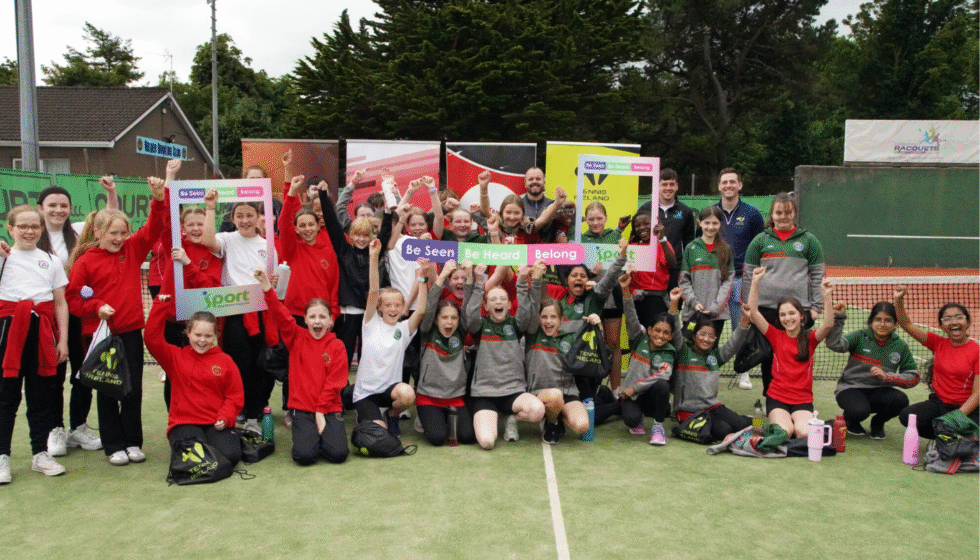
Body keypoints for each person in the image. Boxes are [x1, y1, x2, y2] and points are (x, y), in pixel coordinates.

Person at [66, 176, 166, 465]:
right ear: (97, 233)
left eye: (123, 232)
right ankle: (114, 445)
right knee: (108, 389)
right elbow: (75, 297)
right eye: (113, 234)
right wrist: (96, 307)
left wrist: (158, 198)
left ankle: (133, 442)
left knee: (132, 388)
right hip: (99, 336)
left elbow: (154, 228)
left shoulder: (132, 250)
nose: (119, 238)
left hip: (131, 332)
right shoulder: (86, 261)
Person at [36, 182, 117, 455]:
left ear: (70, 209)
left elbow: (111, 217)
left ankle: (78, 427)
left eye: (63, 205)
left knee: (84, 373)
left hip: (78, 315)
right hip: (48, 317)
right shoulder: (33, 235)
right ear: (41, 209)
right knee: (53, 375)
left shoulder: (78, 230)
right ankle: (55, 429)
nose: (58, 210)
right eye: (52, 205)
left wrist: (111, 192)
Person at [0, 206, 70, 482]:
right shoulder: (4, 257)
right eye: (23, 226)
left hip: (43, 332)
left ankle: (40, 454)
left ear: (41, 229)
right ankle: (2, 456)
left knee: (41, 396)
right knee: (6, 396)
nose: (29, 231)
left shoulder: (51, 260)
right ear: (10, 228)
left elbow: (60, 301)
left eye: (35, 227)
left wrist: (62, 338)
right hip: (9, 331)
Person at [201, 191, 277, 435]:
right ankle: (237, 409)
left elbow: (273, 282)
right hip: (234, 312)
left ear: (258, 217)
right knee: (235, 365)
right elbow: (207, 241)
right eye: (240, 215)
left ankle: (254, 415)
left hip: (261, 314)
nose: (245, 220)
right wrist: (210, 208)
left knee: (259, 366)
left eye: (250, 215)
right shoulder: (227, 239)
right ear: (233, 218)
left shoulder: (268, 246)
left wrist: (272, 281)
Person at [256, 270, 350, 465]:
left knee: (338, 454)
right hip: (302, 408)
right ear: (305, 319)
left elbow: (336, 383)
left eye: (323, 317)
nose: (317, 321)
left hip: (329, 408)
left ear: (330, 321)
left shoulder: (337, 346)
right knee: (305, 456)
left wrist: (321, 412)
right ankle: (310, 436)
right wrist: (266, 285)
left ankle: (323, 435)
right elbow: (279, 313)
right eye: (312, 316)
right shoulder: (296, 337)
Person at [741, 192, 825, 397]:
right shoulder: (760, 241)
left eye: (788, 212)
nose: (783, 216)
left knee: (797, 355)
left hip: (798, 311)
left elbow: (818, 275)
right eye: (778, 212)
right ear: (772, 214)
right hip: (766, 310)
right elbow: (748, 274)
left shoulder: (809, 241)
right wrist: (749, 308)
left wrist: (815, 308)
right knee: (768, 356)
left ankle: (798, 398)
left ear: (795, 213)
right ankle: (771, 398)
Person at [145, 297, 244, 469]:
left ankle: (213, 444)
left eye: (208, 335)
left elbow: (235, 396)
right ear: (188, 332)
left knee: (232, 455)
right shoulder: (174, 357)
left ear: (216, 336)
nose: (202, 340)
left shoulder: (226, 361)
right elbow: (151, 338)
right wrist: (160, 306)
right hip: (184, 423)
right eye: (197, 334)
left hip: (215, 422)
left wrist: (225, 416)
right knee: (195, 458)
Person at [745, 267, 844, 438]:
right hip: (777, 398)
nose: (787, 318)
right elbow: (753, 313)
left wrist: (826, 296)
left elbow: (828, 325)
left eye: (792, 313)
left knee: (804, 433)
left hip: (803, 400)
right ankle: (762, 422)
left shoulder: (811, 338)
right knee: (785, 432)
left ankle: (809, 421)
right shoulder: (775, 335)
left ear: (802, 316)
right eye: (783, 314)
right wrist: (755, 282)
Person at [465, 263, 545, 449]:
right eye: (493, 299)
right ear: (485, 306)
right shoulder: (480, 327)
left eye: (502, 299)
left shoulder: (516, 326)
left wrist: (523, 282)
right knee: (486, 442)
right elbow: (470, 313)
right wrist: (478, 283)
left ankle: (512, 418)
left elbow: (526, 311)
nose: (498, 302)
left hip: (513, 391)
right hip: (485, 394)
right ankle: (494, 419)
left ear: (509, 305)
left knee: (537, 411)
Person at [352, 240, 427, 436]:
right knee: (379, 433)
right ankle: (369, 416)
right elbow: (374, 291)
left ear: (402, 307)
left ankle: (392, 415)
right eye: (388, 305)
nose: (393, 309)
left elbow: (420, 311)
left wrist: (422, 279)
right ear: (379, 307)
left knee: (408, 394)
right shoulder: (370, 323)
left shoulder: (403, 329)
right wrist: (374, 256)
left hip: (389, 392)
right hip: (366, 394)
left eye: (397, 305)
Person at [594, 271, 676, 444]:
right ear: (650, 330)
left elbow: (663, 375)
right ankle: (613, 399)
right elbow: (631, 316)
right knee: (631, 420)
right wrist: (625, 291)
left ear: (671, 336)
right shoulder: (639, 339)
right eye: (657, 331)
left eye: (666, 333)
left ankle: (658, 427)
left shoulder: (669, 351)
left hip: (648, 396)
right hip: (632, 398)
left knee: (662, 384)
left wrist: (634, 388)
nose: (660, 336)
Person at [825, 301, 919, 439]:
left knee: (901, 400)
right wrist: (839, 318)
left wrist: (887, 377)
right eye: (878, 319)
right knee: (859, 411)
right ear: (871, 321)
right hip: (850, 388)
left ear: (896, 324)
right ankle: (850, 422)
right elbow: (834, 344)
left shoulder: (900, 346)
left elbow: (913, 377)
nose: (882, 324)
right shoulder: (860, 336)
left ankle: (878, 423)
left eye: (888, 320)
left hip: (880, 390)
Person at [672, 287, 755, 443]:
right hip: (688, 413)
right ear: (694, 335)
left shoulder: (716, 357)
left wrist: (745, 320)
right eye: (702, 334)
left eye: (711, 337)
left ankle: (760, 421)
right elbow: (677, 331)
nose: (706, 339)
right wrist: (674, 303)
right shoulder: (683, 353)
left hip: (712, 407)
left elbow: (734, 342)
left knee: (744, 423)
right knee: (724, 430)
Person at [895, 287, 979, 439]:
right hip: (939, 404)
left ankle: (953, 435)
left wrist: (956, 416)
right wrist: (898, 300)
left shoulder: (977, 351)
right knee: (907, 416)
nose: (953, 322)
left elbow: (978, 393)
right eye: (947, 319)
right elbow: (906, 325)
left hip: (968, 408)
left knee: (972, 435)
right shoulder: (937, 343)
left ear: (968, 322)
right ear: (941, 326)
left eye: (959, 317)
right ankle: (944, 437)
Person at [525, 262, 591, 444]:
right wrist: (537, 278)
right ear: (538, 319)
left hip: (567, 392)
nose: (548, 321)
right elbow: (533, 304)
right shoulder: (533, 334)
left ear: (561, 320)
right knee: (554, 396)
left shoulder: (570, 338)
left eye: (553, 317)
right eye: (544, 317)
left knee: (581, 426)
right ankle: (552, 421)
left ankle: (559, 415)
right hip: (540, 392)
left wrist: (596, 324)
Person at [713, 168, 765, 389]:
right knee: (711, 326)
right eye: (724, 182)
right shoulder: (711, 212)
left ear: (740, 185)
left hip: (741, 279)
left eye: (732, 182)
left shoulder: (753, 214)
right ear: (719, 186)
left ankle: (742, 370)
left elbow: (760, 247)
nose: (728, 186)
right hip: (714, 279)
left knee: (740, 326)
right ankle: (709, 367)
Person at [415, 260, 477, 446]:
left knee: (467, 438)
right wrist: (442, 275)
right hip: (428, 396)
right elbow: (431, 301)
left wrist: (469, 275)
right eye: (444, 318)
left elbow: (468, 304)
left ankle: (439, 418)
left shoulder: (460, 330)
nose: (449, 323)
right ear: (436, 319)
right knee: (437, 439)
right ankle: (427, 417)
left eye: (453, 318)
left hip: (455, 397)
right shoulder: (427, 330)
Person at [581, 202, 630, 388]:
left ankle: (616, 390)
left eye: (599, 218)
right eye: (591, 219)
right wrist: (590, 273)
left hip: (612, 296)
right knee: (591, 342)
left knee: (613, 343)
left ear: (606, 218)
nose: (595, 223)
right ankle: (591, 389)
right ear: (586, 220)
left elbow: (625, 262)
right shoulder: (581, 239)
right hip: (590, 295)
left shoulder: (615, 236)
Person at [679, 206, 734, 344]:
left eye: (715, 223)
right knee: (689, 346)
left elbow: (728, 281)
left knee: (710, 351)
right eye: (707, 223)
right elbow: (683, 281)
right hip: (692, 315)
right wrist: (695, 303)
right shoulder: (690, 248)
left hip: (716, 316)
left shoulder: (726, 250)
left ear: (720, 224)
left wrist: (715, 307)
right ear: (700, 222)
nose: (710, 227)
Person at [637, 168, 695, 298]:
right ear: (657, 186)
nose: (668, 188)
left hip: (675, 269)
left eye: (672, 184)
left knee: (673, 308)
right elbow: (637, 238)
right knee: (652, 310)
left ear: (677, 186)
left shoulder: (685, 211)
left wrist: (686, 269)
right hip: (651, 269)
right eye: (664, 184)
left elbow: (689, 243)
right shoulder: (645, 208)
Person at [625, 214, 675, 328]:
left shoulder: (662, 244)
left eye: (646, 224)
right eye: (637, 226)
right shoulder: (631, 247)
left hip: (656, 301)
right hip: (634, 301)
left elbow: (672, 264)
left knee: (654, 337)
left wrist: (661, 239)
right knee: (636, 337)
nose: (642, 227)